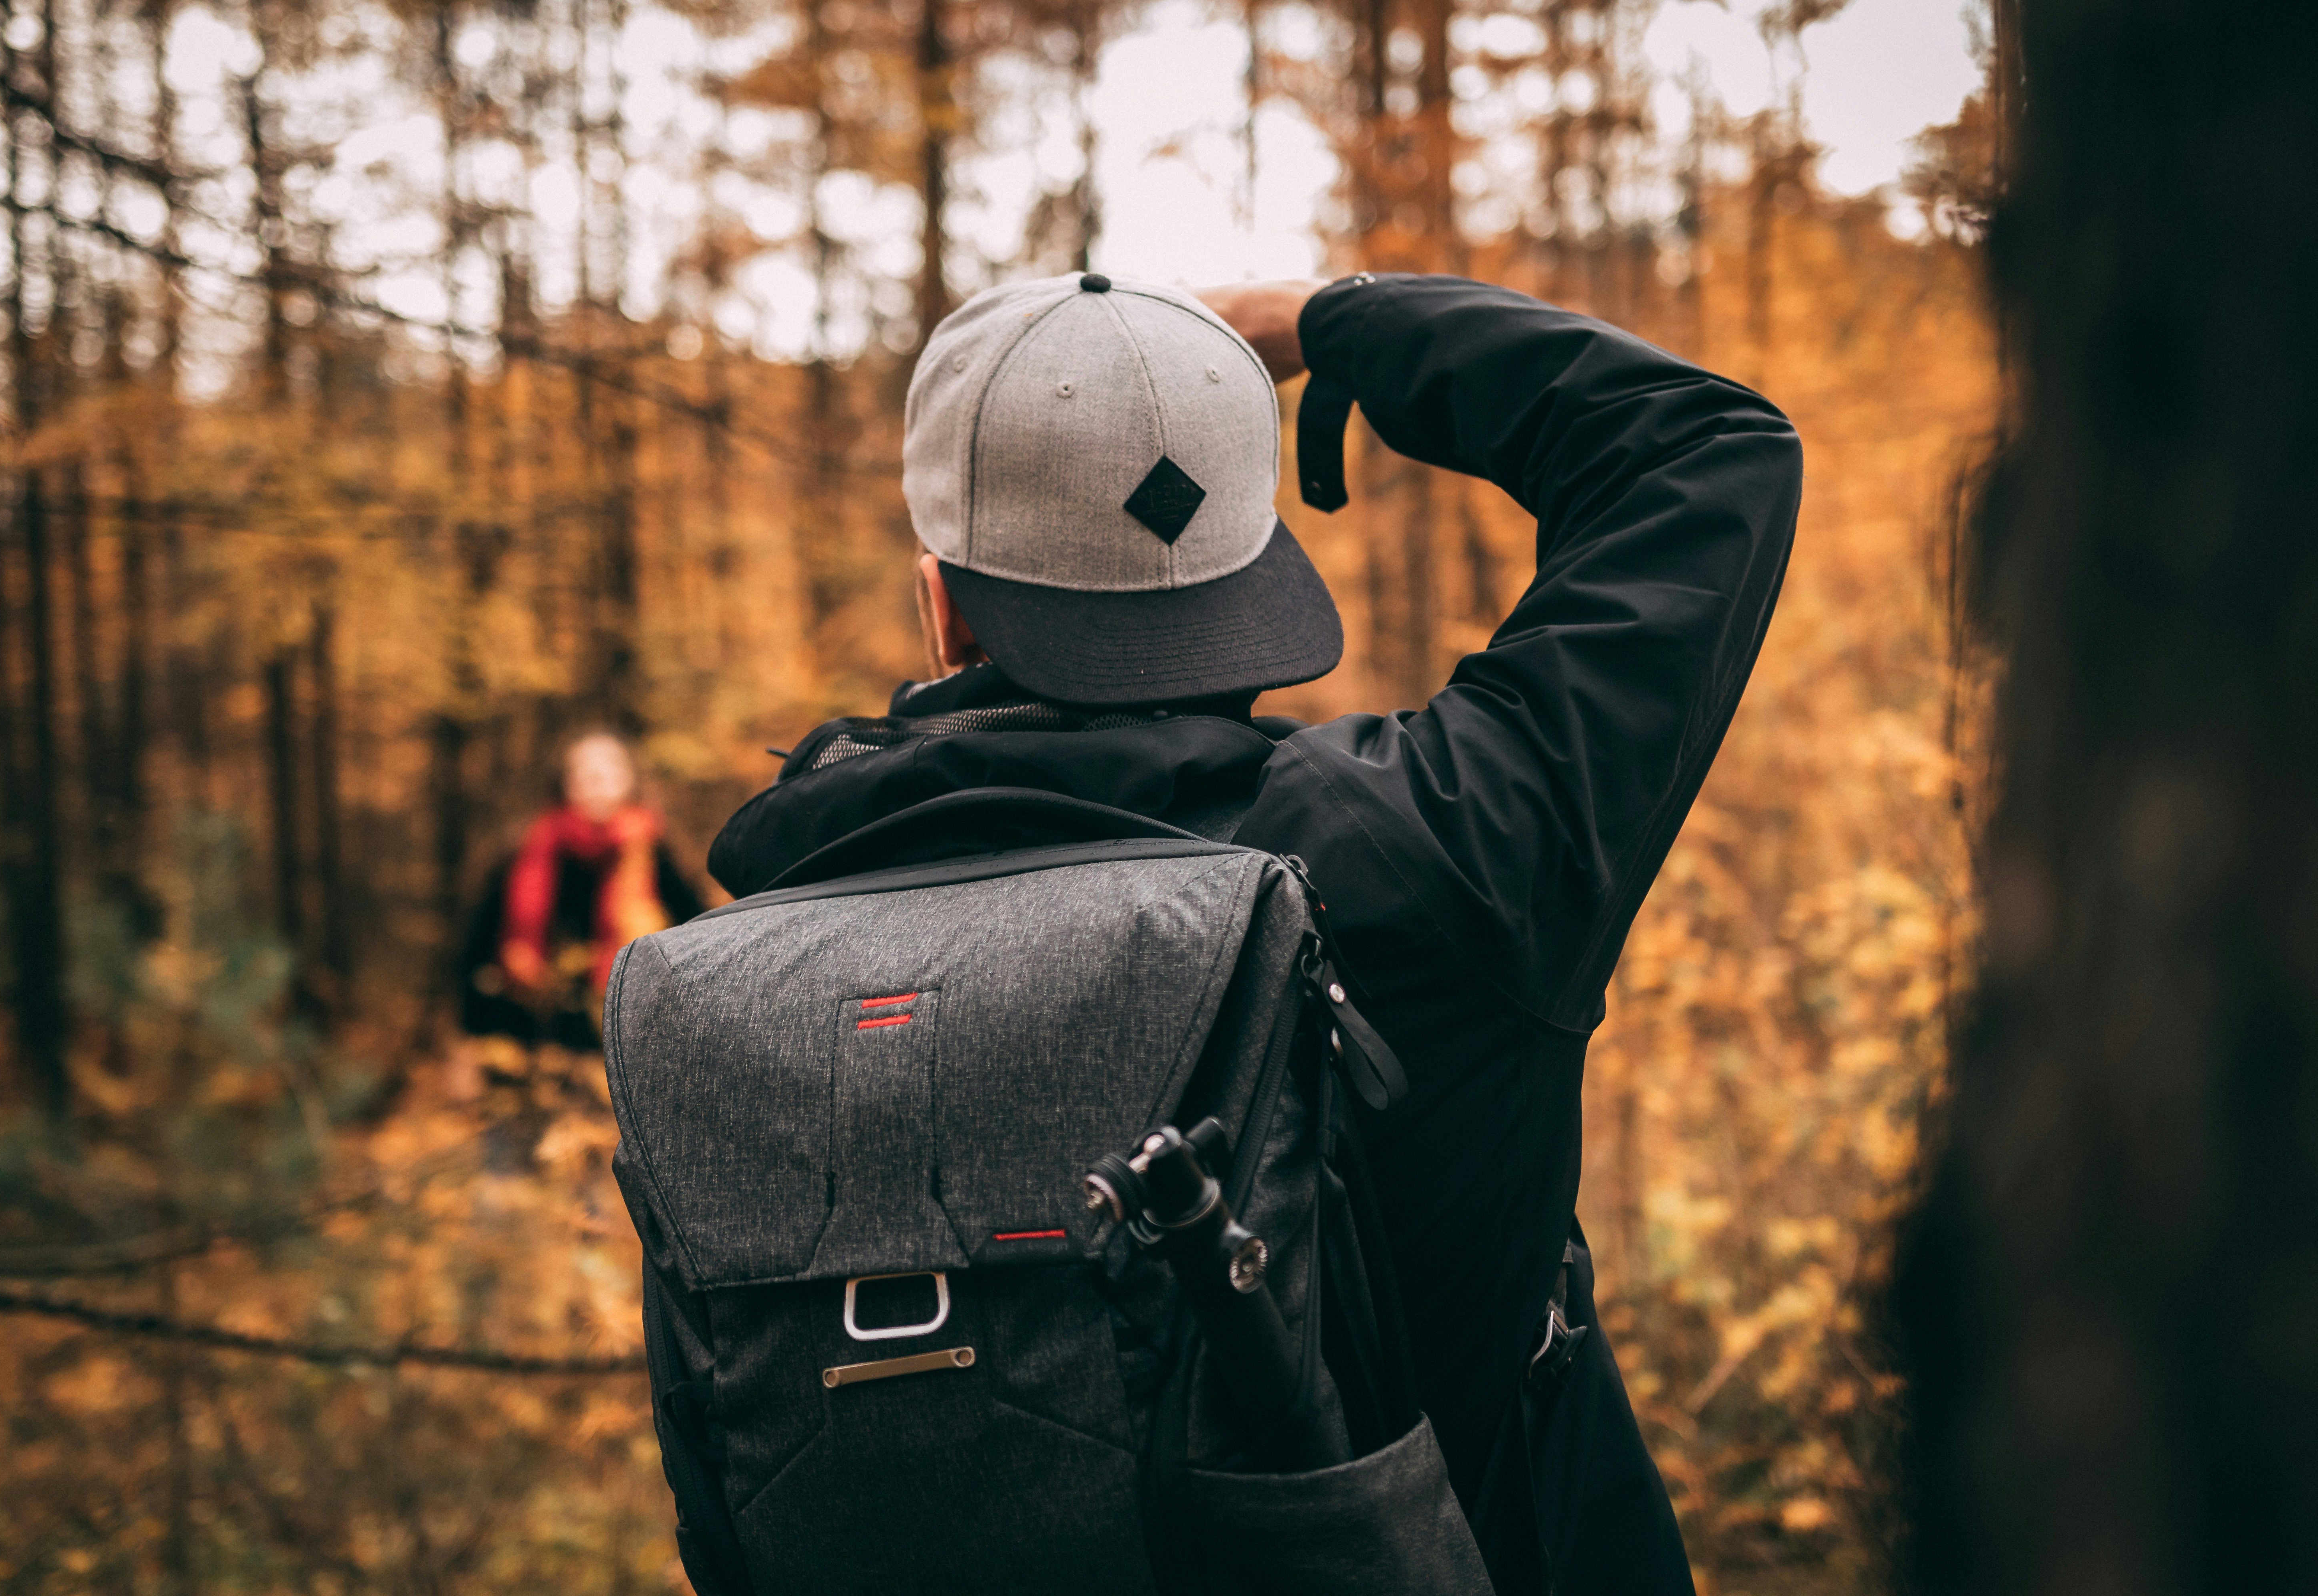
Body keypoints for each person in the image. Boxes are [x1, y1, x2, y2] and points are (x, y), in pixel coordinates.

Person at [703, 270, 1799, 1593]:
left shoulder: (764, 936)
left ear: (940, 605)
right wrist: (1331, 322)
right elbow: (1704, 450)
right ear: (1249, 588)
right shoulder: (1445, 841)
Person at [460, 732, 704, 1054]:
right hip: (529, 1041)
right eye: (585, 774)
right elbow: (475, 954)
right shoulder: (525, 851)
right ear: (565, 785)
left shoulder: (654, 852)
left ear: (629, 782)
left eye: (609, 772)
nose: (596, 783)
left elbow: (700, 937)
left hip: (628, 1042)